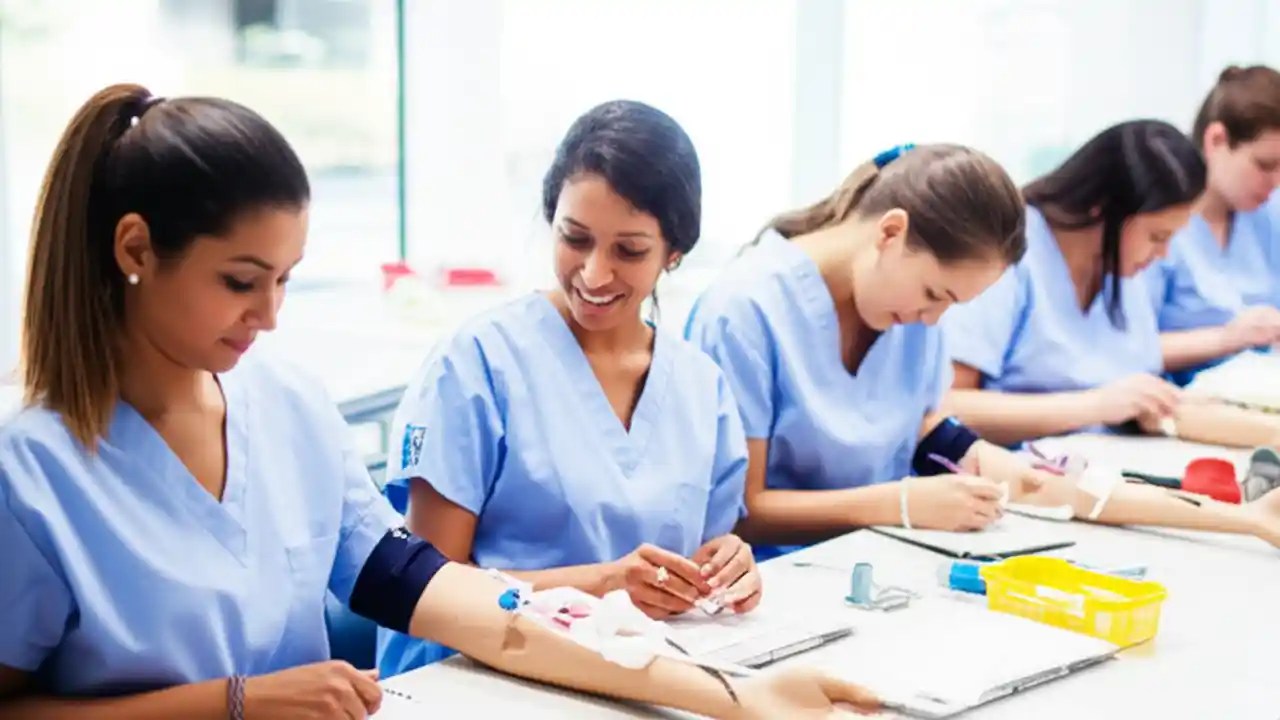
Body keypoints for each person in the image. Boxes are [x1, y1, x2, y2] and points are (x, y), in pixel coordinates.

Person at [0, 84, 876, 720]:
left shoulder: (289, 412)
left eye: (285, 282)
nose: (269, 316)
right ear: (136, 250)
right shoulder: (32, 472)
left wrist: (734, 697)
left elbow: (475, 610)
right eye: (240, 282)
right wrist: (230, 705)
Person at [685, 142, 1280, 556]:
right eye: (931, 294)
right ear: (891, 233)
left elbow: (1029, 482)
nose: (931, 321)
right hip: (769, 589)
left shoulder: (909, 321)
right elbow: (745, 511)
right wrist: (901, 503)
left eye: (951, 306)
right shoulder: (746, 310)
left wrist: (1244, 521)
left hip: (881, 561)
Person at [376, 100, 761, 678]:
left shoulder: (699, 385)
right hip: (476, 679)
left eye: (629, 250)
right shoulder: (478, 363)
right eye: (574, 238)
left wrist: (728, 567)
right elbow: (427, 587)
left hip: (641, 676)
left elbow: (702, 560)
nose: (594, 273)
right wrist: (604, 584)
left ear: (675, 254)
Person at [945, 119, 1280, 453]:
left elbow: (1138, 381)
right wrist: (1093, 406)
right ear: (1101, 209)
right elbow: (949, 407)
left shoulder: (1118, 269)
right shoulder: (1010, 254)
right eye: (1156, 237)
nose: (1162, 255)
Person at [1145, 65, 1280, 383]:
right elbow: (1118, 350)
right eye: (1265, 165)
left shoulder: (1267, 219)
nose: (1276, 182)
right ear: (1216, 140)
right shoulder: (1154, 225)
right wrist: (1230, 338)